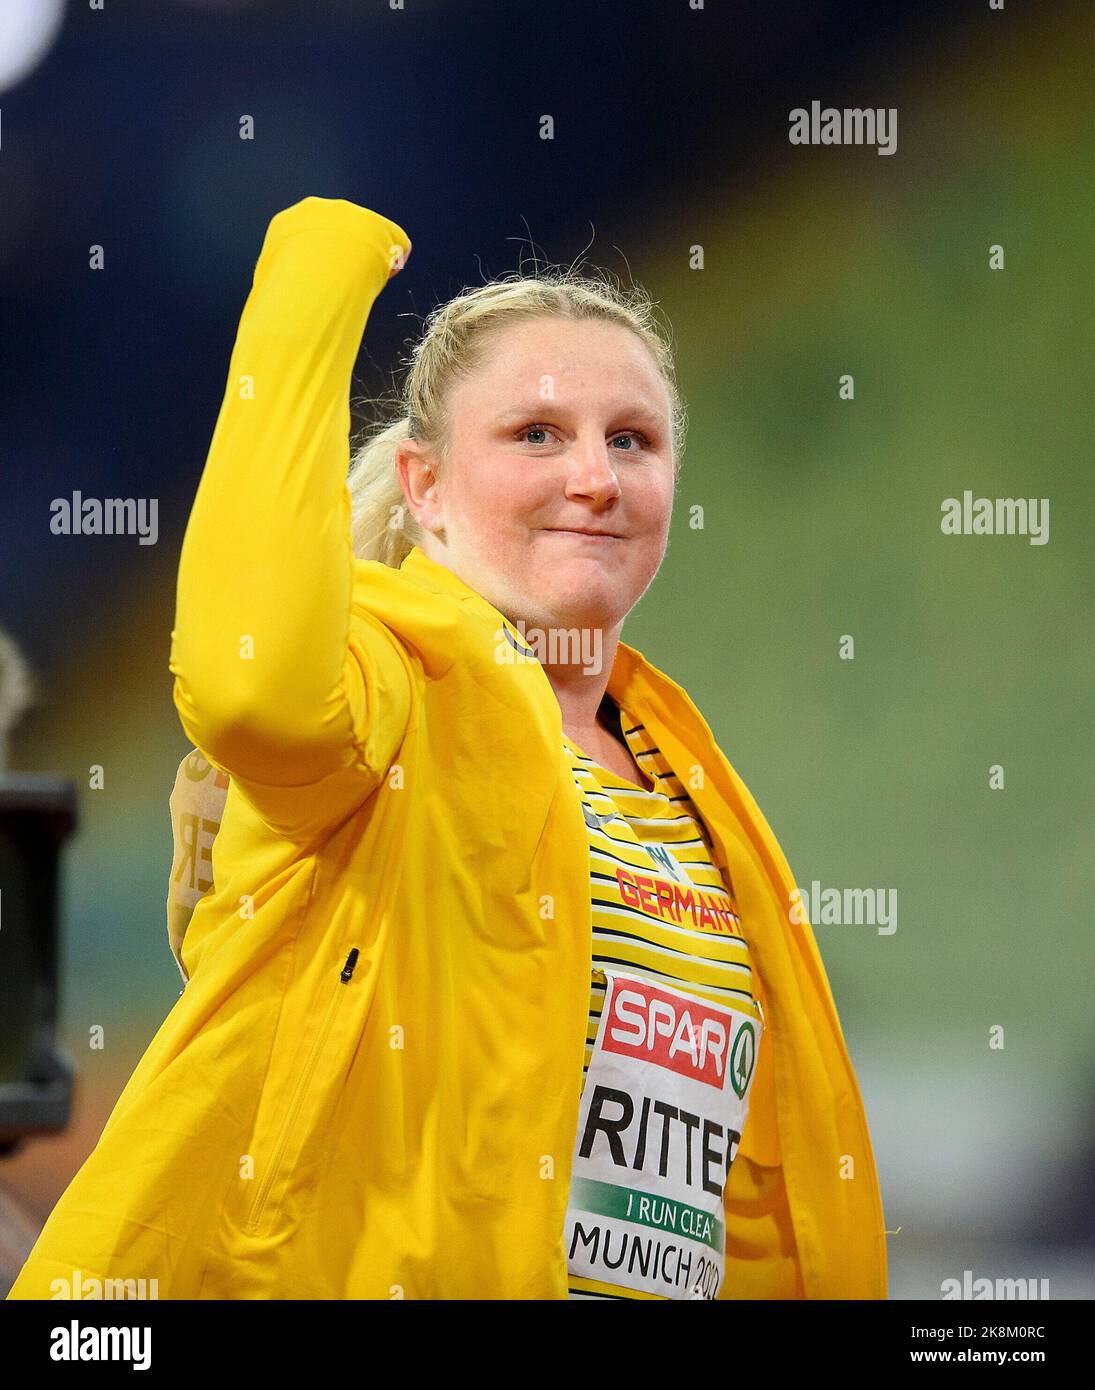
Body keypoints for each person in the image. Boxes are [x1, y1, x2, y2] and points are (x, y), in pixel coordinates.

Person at [7, 196, 887, 1300]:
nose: (596, 478)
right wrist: (318, 270)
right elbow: (249, 685)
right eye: (536, 434)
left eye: (634, 439)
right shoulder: (390, 684)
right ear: (424, 486)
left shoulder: (689, 780)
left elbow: (751, 1207)